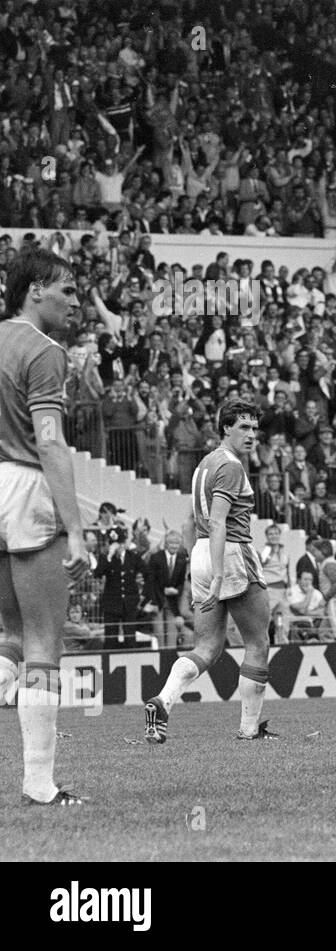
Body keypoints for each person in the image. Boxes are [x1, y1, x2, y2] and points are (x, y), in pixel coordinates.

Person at [0, 248, 92, 805]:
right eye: (68, 291)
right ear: (35, 289)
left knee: (10, 635)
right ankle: (39, 785)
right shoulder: (45, 352)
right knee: (42, 643)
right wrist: (77, 530)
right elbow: (50, 441)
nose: (76, 302)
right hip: (25, 486)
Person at [145, 398, 276, 743]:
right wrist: (219, 573)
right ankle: (249, 729)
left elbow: (191, 522)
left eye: (254, 428)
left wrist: (196, 565)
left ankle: (164, 700)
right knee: (258, 642)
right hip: (229, 554)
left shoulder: (204, 465)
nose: (251, 435)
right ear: (225, 428)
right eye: (243, 427)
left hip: (202, 553)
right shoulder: (231, 466)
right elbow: (218, 521)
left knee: (207, 647)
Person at [94, 523, 146, 647]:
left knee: (130, 638)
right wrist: (109, 556)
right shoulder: (106, 558)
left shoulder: (133, 557)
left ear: (122, 543)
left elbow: (148, 574)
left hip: (129, 602)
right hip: (111, 603)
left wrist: (144, 595)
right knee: (110, 639)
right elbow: (97, 574)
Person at [144, 529, 189, 648]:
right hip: (157, 601)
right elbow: (150, 581)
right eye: (171, 543)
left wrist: (177, 591)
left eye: (177, 544)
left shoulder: (181, 560)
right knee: (160, 637)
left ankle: (171, 663)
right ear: (166, 544)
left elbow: (180, 583)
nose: (174, 546)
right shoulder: (156, 558)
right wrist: (162, 590)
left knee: (172, 638)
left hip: (172, 604)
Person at [259, 523, 292, 643]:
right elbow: (259, 568)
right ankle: (263, 643)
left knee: (283, 620)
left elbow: (287, 569)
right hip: (270, 589)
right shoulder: (266, 551)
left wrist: (289, 587)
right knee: (265, 619)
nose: (274, 536)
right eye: (271, 534)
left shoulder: (284, 551)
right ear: (267, 536)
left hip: (283, 590)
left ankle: (282, 643)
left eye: (276, 533)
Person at [286, 569, 327, 640]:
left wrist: (307, 613)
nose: (308, 582)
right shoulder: (291, 591)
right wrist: (309, 594)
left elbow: (323, 612)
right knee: (301, 625)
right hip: (296, 623)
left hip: (314, 623)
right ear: (298, 580)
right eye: (305, 579)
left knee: (326, 623)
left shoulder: (317, 593)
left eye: (310, 580)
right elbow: (301, 610)